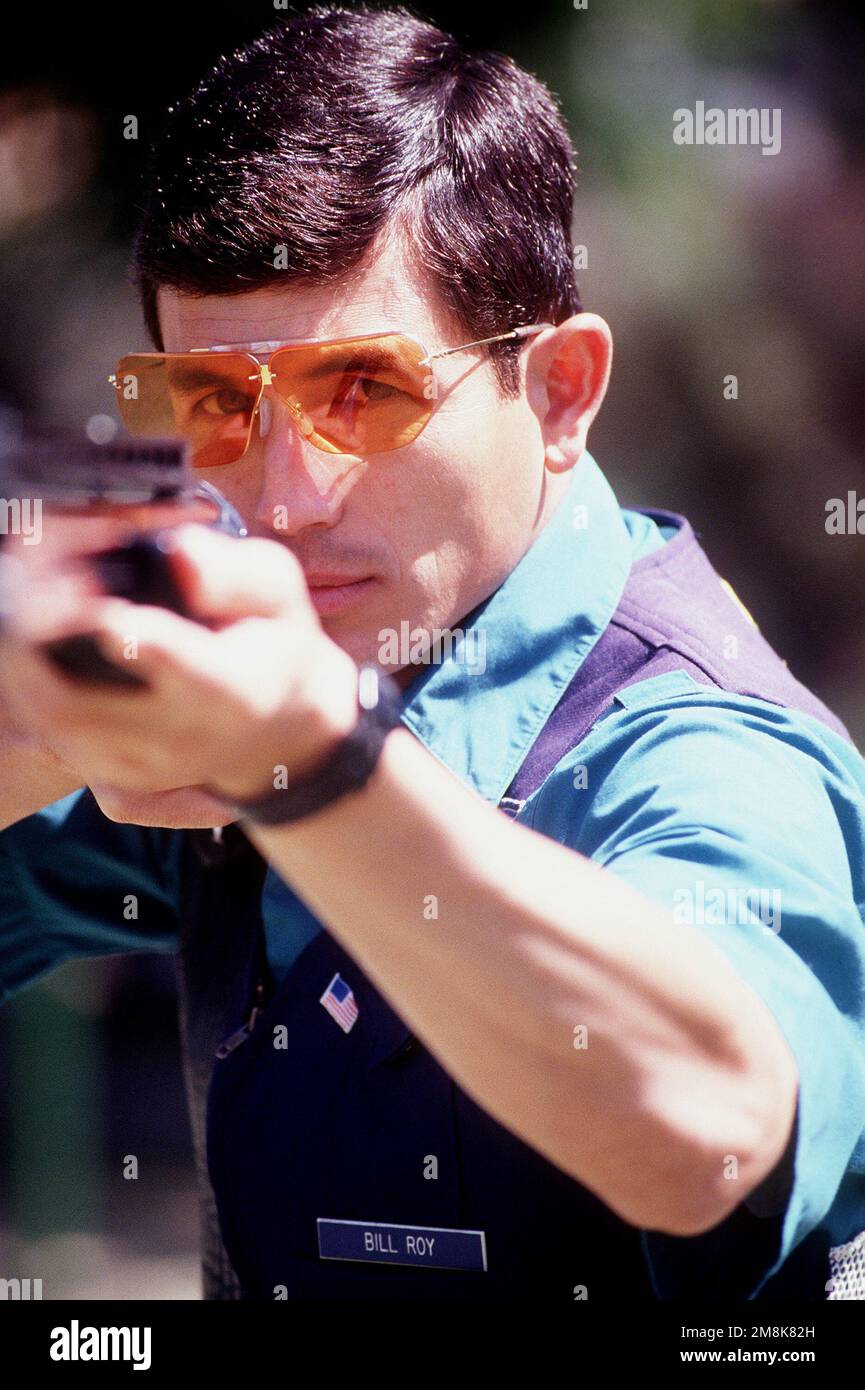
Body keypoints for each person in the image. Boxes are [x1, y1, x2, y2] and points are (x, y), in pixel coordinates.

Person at [1, 4, 864, 1302]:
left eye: (363, 390)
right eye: (217, 404)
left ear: (561, 388)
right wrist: (43, 713)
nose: (289, 494)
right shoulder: (258, 666)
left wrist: (310, 762)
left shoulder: (698, 744)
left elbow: (708, 1130)